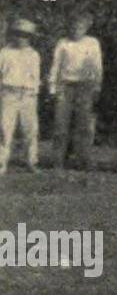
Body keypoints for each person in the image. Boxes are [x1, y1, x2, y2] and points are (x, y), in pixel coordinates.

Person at [48, 12, 102, 170]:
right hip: (65, 85)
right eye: (73, 27)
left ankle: (84, 159)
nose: (76, 30)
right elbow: (55, 65)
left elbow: (97, 66)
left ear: (86, 28)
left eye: (80, 27)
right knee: (61, 123)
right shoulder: (62, 43)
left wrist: (97, 86)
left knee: (84, 125)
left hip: (85, 86)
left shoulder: (92, 43)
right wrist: (52, 87)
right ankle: (58, 160)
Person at [0, 19, 41, 174]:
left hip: (28, 95)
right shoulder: (4, 52)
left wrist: (34, 93)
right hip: (8, 93)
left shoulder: (34, 54)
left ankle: (31, 162)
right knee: (5, 129)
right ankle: (1, 163)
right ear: (13, 35)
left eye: (25, 35)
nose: (21, 38)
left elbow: (35, 76)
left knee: (30, 130)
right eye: (18, 34)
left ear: (30, 37)